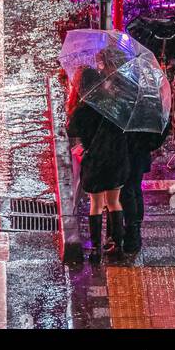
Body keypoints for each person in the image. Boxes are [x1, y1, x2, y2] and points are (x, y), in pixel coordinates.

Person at [67, 66, 129, 263]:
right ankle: (116, 243)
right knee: (114, 202)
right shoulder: (114, 104)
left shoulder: (82, 111)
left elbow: (71, 131)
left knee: (96, 204)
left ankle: (95, 249)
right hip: (116, 161)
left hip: (94, 163)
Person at [120, 124, 168, 255]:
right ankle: (135, 230)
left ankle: (132, 234)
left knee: (127, 191)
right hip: (140, 155)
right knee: (135, 188)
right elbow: (160, 133)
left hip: (128, 153)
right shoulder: (148, 106)